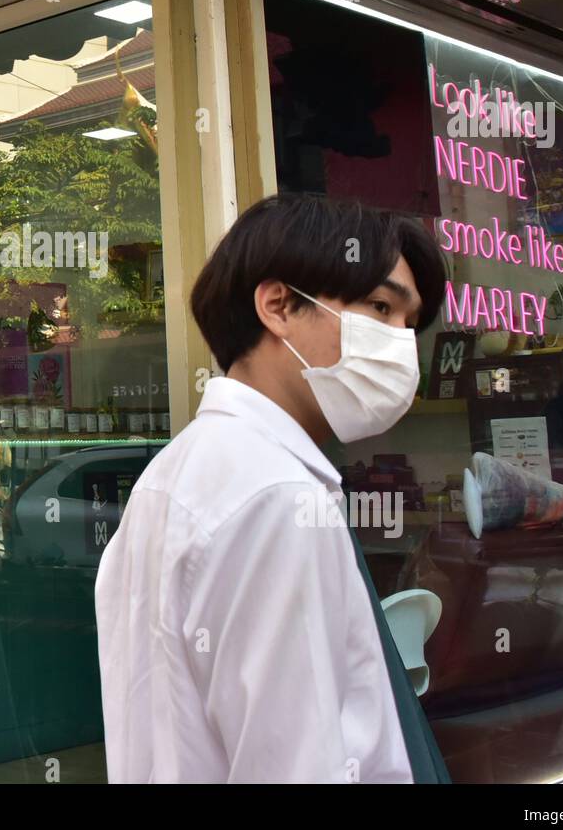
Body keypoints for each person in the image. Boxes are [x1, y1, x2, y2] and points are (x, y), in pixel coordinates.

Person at [94, 192, 448, 783]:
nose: (400, 344)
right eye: (382, 309)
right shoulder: (276, 496)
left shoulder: (174, 474)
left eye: (409, 325)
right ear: (278, 305)